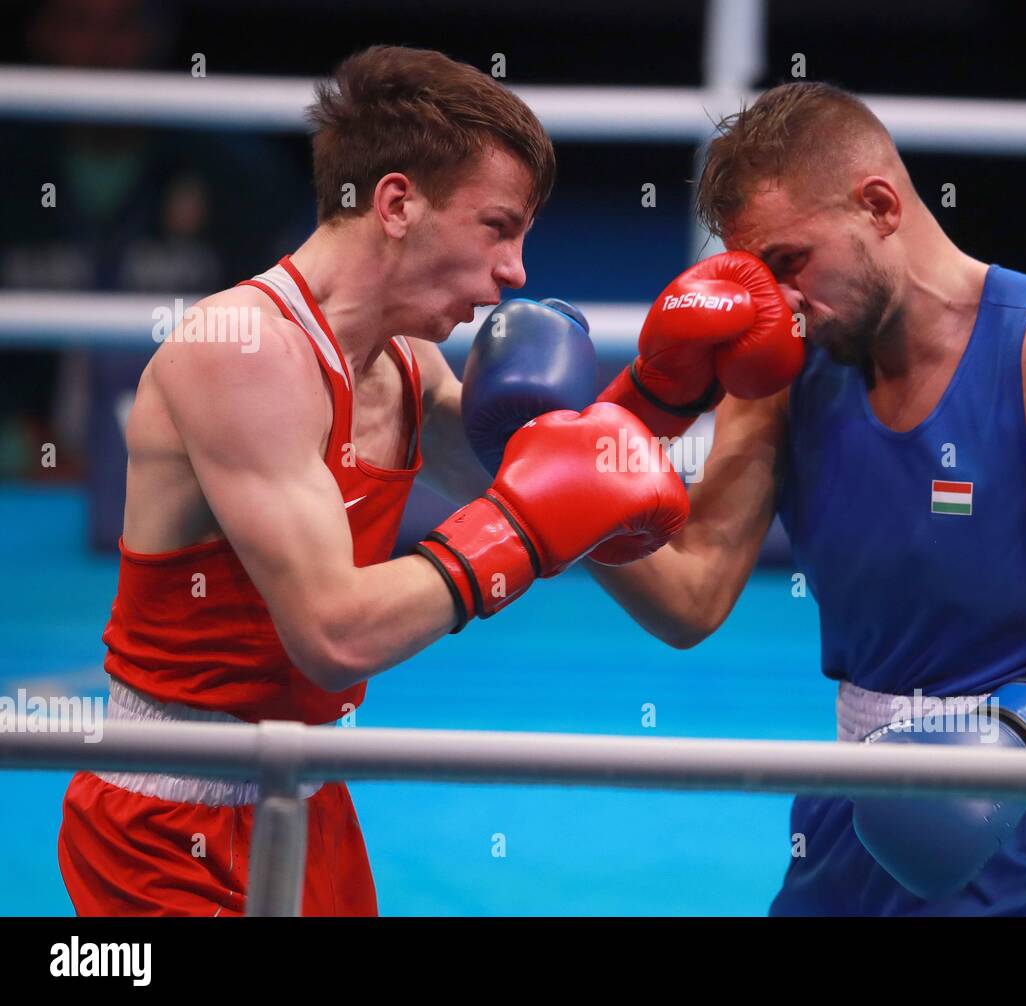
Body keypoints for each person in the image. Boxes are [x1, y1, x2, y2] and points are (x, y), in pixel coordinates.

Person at [56, 45, 693, 917]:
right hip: (165, 825)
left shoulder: (408, 367)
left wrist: (667, 396)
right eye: (497, 227)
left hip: (307, 793)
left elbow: (578, 505)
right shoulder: (241, 352)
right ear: (396, 203)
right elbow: (335, 636)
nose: (517, 274)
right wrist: (519, 532)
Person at [586, 82, 1026, 915]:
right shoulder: (782, 372)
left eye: (788, 263)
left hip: (1023, 809)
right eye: (755, 275)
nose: (776, 303)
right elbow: (692, 596)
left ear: (880, 206)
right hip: (850, 798)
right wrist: (570, 507)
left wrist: (1008, 741)